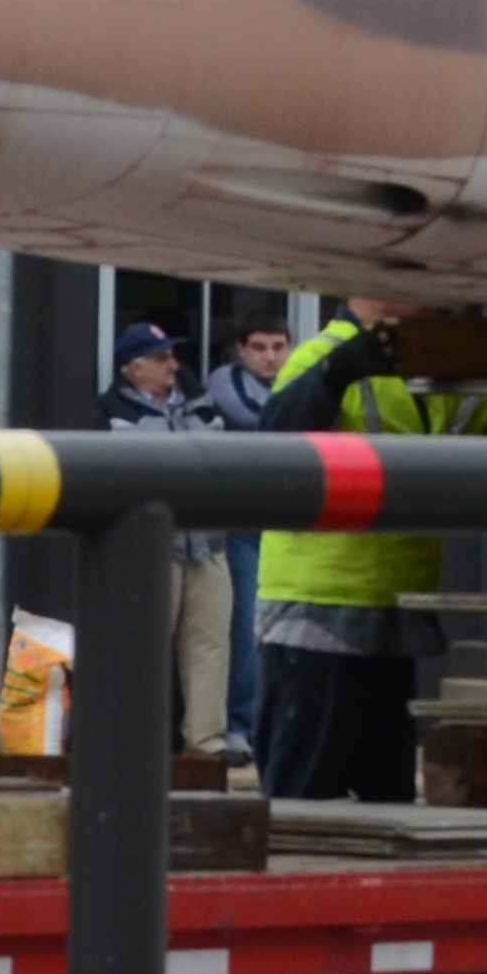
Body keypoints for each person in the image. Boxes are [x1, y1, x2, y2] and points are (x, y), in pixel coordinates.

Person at [248, 300, 487, 803]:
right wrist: (333, 375)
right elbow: (273, 449)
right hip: (319, 611)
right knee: (303, 802)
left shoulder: (436, 371)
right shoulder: (323, 355)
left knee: (385, 803)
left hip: (394, 610)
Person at [100, 319, 236, 757]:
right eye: (161, 359)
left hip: (207, 544)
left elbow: (220, 461)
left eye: (172, 356)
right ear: (133, 368)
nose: (173, 366)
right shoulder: (108, 411)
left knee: (210, 644)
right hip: (151, 549)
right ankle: (138, 742)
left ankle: (206, 740)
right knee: (145, 649)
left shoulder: (200, 404)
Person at [198, 316, 292, 752]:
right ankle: (242, 725)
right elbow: (254, 417)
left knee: (287, 629)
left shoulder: (297, 379)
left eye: (278, 346)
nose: (270, 357)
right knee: (246, 628)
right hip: (243, 527)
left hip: (290, 525)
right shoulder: (224, 380)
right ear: (241, 349)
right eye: (259, 347)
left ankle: (275, 725)